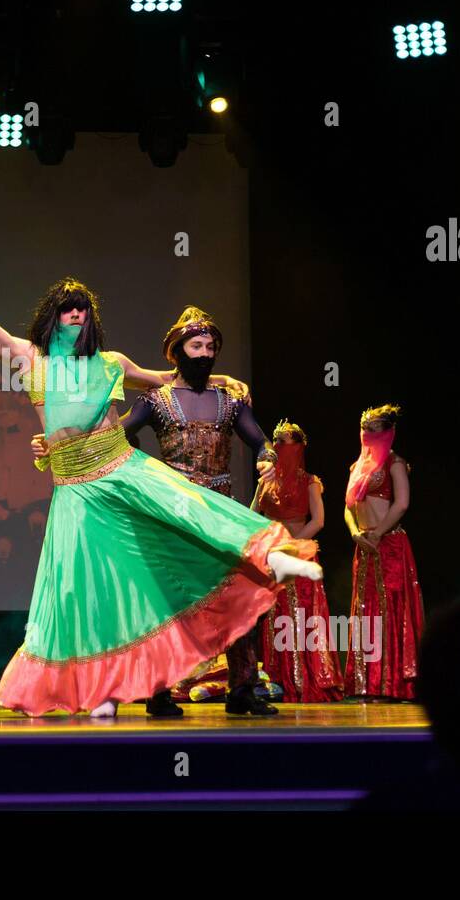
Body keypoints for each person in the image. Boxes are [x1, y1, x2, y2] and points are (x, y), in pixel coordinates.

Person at [0, 235, 322, 717]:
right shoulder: (31, 360)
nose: (77, 316)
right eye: (68, 309)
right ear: (53, 317)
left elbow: (167, 379)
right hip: (74, 492)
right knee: (78, 589)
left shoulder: (109, 364)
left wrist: (220, 379)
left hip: (121, 469)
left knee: (194, 512)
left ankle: (271, 553)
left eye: (83, 310)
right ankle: (99, 686)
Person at [35, 306, 282, 716]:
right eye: (195, 345)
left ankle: (242, 689)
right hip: (172, 511)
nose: (204, 353)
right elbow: (110, 436)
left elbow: (260, 440)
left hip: (219, 512)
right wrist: (57, 445)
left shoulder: (231, 402)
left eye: (210, 347)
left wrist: (267, 456)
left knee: (241, 592)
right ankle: (159, 692)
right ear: (176, 351)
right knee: (166, 605)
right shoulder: (157, 401)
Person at [252, 420, 344, 702]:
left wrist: (292, 545)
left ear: (299, 447)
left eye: (287, 442)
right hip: (271, 554)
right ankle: (276, 679)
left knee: (302, 616)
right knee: (274, 617)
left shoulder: (310, 482)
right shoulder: (266, 481)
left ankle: (304, 678)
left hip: (299, 551)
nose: (280, 447)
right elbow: (253, 512)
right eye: (276, 441)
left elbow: (319, 520)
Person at [342, 404, 424, 701]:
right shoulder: (357, 467)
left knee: (390, 610)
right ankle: (367, 684)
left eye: (374, 429)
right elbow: (348, 508)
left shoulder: (395, 463)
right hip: (364, 547)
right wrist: (355, 533)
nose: (367, 434)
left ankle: (392, 685)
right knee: (366, 613)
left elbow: (402, 504)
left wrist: (378, 533)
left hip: (388, 546)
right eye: (364, 428)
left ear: (388, 433)